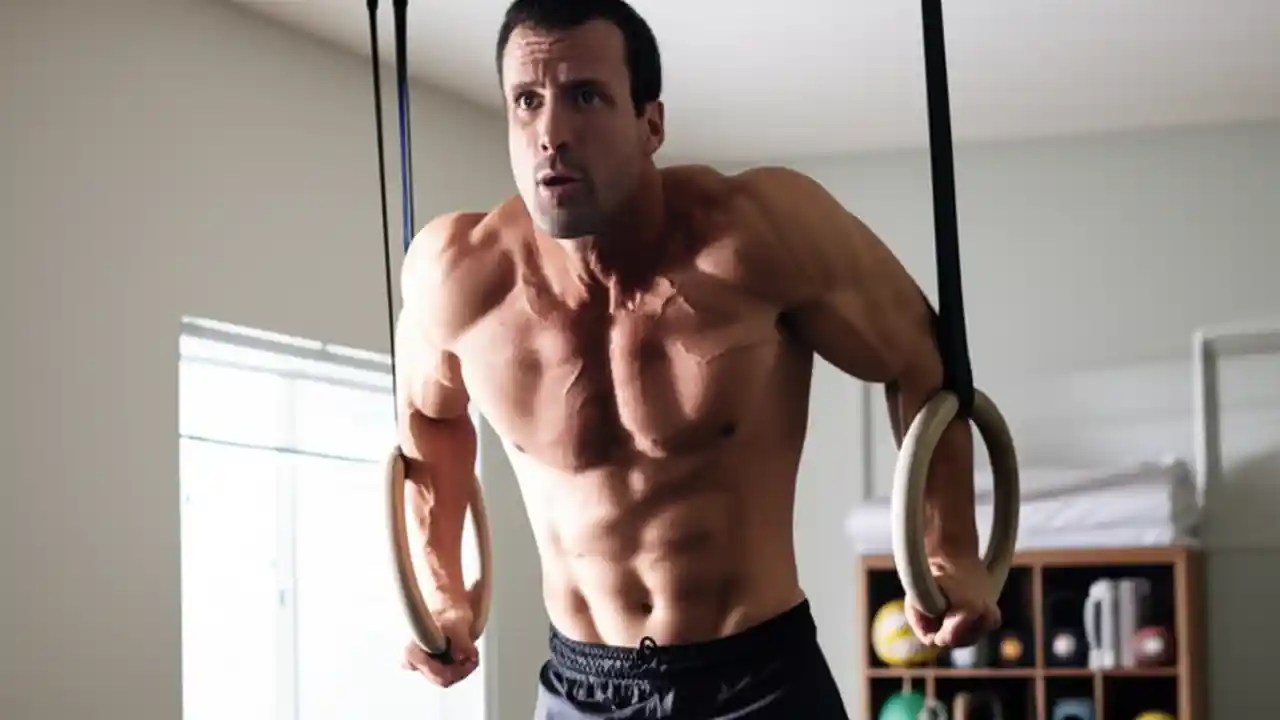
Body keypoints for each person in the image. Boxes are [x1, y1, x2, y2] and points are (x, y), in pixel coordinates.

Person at [396, 0, 1000, 716]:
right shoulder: (459, 277)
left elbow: (919, 358)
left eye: (585, 96)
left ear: (651, 123)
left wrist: (949, 550)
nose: (550, 134)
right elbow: (428, 422)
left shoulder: (760, 236)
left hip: (757, 680)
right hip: (581, 687)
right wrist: (443, 591)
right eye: (527, 100)